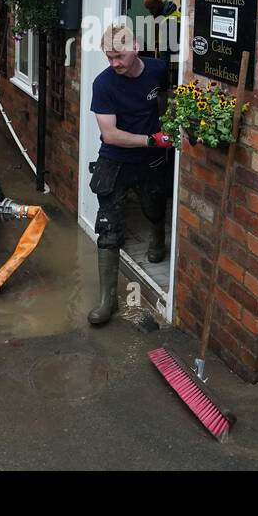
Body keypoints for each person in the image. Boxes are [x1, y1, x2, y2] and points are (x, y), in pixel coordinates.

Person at [87, 23, 173, 326]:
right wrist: (151, 139)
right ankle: (107, 301)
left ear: (135, 46)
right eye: (109, 58)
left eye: (118, 56)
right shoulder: (104, 84)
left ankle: (157, 237)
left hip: (150, 160)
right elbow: (109, 135)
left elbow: (166, 97)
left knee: (154, 204)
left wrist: (169, 125)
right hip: (116, 159)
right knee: (108, 225)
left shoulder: (158, 69)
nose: (114, 64)